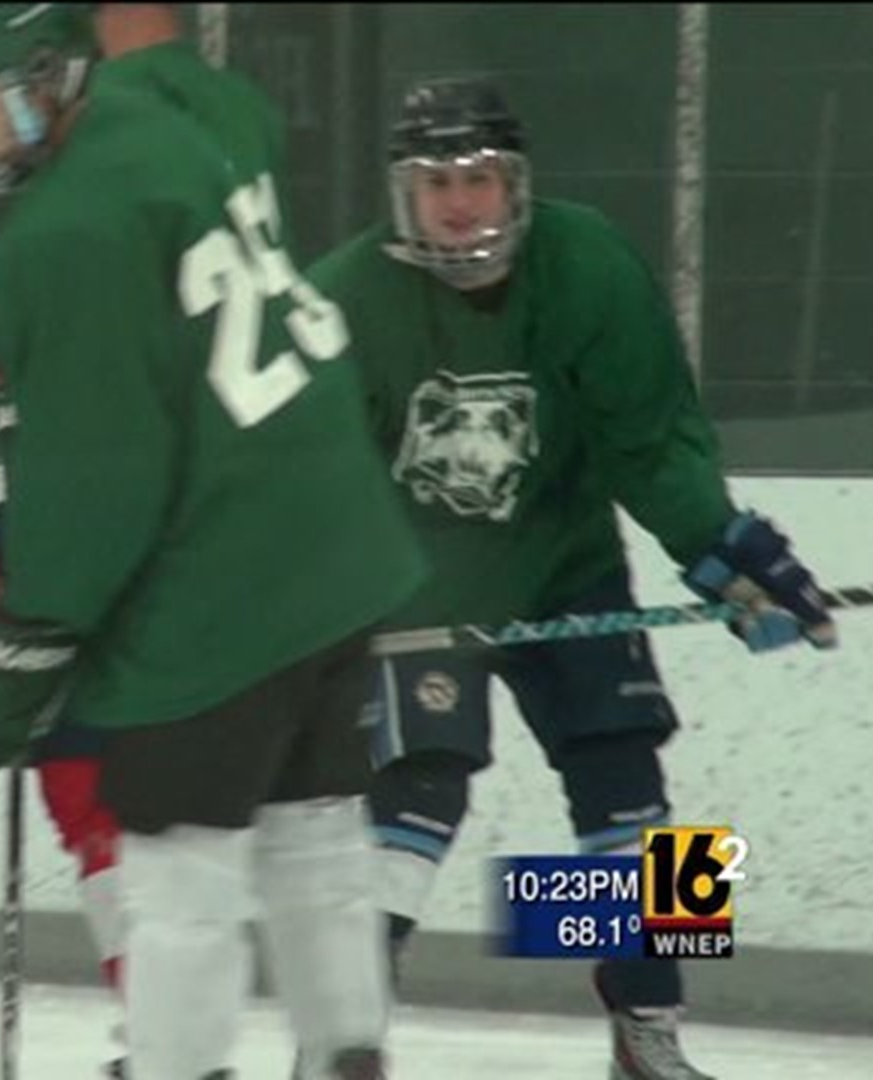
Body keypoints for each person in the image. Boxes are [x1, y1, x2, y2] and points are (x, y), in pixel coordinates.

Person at [0, 6, 425, 1079]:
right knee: (314, 831)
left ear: (44, 78)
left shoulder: (54, 241)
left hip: (221, 584)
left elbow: (100, 482)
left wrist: (23, 642)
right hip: (334, 545)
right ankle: (346, 1058)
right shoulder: (164, 112)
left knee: (178, 870)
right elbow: (223, 94)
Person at [309, 75, 838, 1080]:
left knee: (626, 782)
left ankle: (648, 1027)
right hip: (416, 578)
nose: (459, 201)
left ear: (516, 183)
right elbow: (306, 477)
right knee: (420, 782)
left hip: (565, 562)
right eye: (434, 181)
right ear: (401, 194)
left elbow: (649, 439)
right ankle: (344, 1035)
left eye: (478, 176)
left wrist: (728, 554)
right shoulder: (346, 297)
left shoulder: (586, 259)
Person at [5, 4, 299, 1075]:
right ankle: (191, 1046)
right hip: (193, 578)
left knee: (619, 801)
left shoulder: (586, 278)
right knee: (130, 815)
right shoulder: (67, 236)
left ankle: (649, 1004)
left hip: (462, 585)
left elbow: (654, 445)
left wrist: (712, 535)